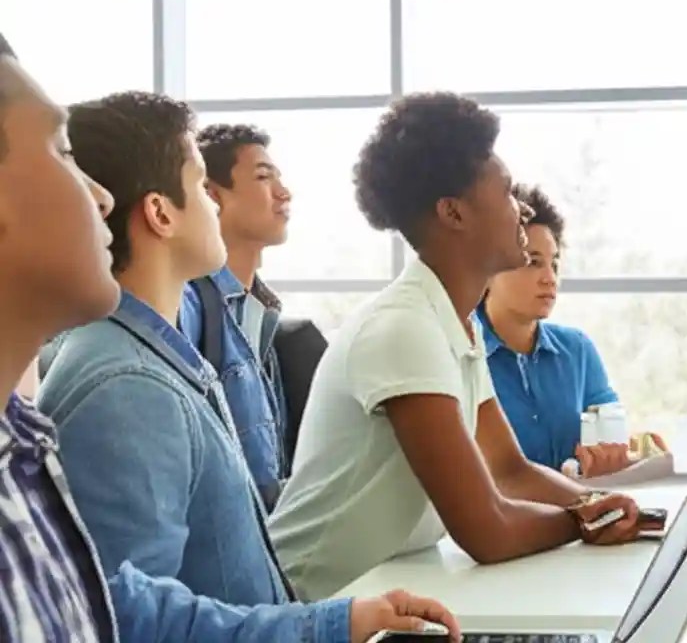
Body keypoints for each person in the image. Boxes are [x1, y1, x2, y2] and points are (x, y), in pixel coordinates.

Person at [0, 33, 459, 642]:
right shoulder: (126, 383)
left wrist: (332, 622)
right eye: (201, 188)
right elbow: (128, 621)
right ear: (162, 213)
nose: (100, 198)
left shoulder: (170, 360)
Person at [269, 92, 650, 600]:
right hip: (308, 607)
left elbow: (509, 471)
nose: (524, 208)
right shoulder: (404, 328)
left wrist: (602, 501)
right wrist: (584, 520)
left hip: (384, 595)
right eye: (508, 190)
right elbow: (485, 530)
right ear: (453, 212)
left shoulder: (457, 327)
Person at [475, 183, 627, 473]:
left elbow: (611, 430)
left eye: (554, 264)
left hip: (580, 515)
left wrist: (616, 453)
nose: (549, 278)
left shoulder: (578, 349)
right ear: (489, 268)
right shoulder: (461, 352)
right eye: (533, 262)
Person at [179, 122, 291, 508]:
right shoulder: (191, 308)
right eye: (263, 177)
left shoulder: (261, 313)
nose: (283, 193)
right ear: (212, 196)